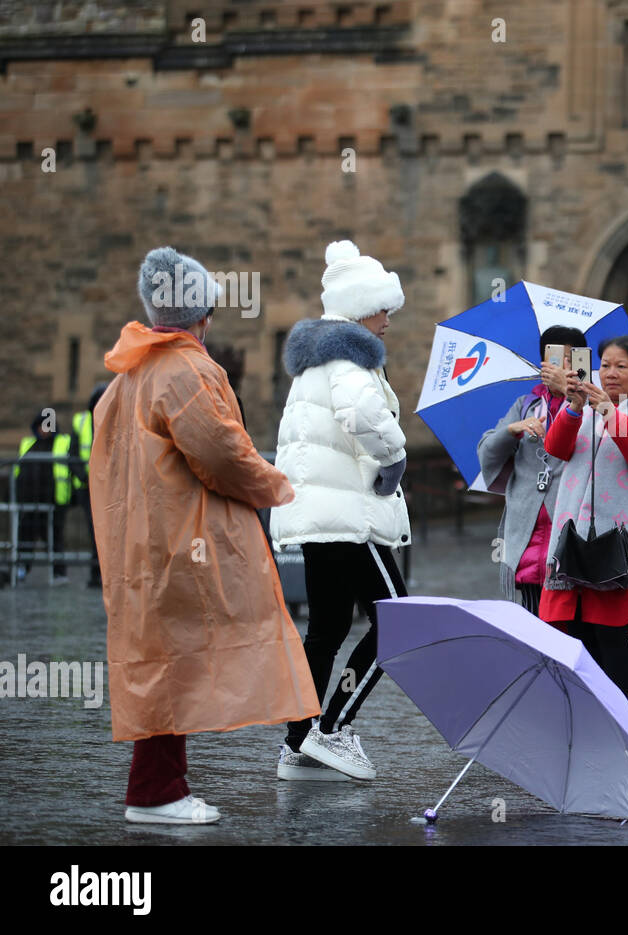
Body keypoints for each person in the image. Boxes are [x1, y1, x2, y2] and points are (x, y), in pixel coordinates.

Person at [93, 246, 318, 823]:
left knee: (157, 658)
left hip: (140, 540)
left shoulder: (128, 374)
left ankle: (157, 787)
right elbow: (221, 453)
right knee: (173, 658)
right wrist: (276, 485)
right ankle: (157, 793)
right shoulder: (188, 369)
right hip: (180, 539)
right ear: (202, 314)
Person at [270, 240, 411, 782]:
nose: (388, 322)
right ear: (358, 308)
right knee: (399, 621)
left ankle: (298, 742)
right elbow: (366, 417)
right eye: (383, 310)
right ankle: (330, 729)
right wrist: (395, 456)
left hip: (319, 516)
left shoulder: (315, 359)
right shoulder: (349, 354)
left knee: (326, 628)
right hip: (350, 519)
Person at [541, 335, 628, 701]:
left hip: (618, 541)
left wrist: (612, 415)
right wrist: (573, 407)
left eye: (622, 366)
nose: (611, 374)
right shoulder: (581, 410)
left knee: (609, 631)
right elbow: (556, 448)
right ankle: (585, 715)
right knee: (577, 630)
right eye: (605, 366)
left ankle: (618, 717)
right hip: (573, 538)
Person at [477, 326, 587, 614]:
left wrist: (570, 393)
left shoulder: (591, 406)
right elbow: (487, 453)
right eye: (553, 359)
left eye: (569, 360)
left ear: (581, 363)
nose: (561, 367)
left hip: (568, 531)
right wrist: (513, 430)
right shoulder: (527, 405)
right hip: (527, 531)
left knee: (567, 624)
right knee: (533, 619)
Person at [14, 412, 74, 583]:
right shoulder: (28, 443)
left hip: (53, 499)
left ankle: (59, 572)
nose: (44, 430)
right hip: (29, 500)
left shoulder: (62, 442)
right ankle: (21, 568)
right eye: (41, 425)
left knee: (54, 537)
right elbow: (19, 471)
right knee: (25, 536)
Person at [73, 384, 109, 587]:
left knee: (109, 532)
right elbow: (73, 454)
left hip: (110, 486)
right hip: (88, 488)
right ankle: (96, 573)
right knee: (94, 530)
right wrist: (85, 478)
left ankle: (106, 574)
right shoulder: (82, 422)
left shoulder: (116, 418)